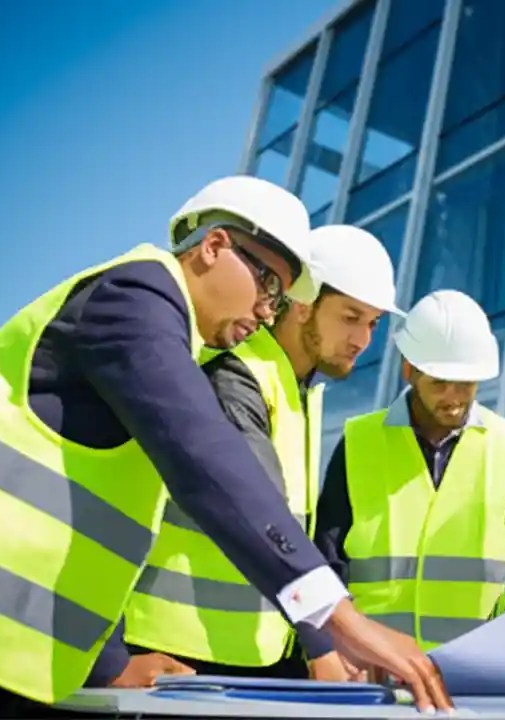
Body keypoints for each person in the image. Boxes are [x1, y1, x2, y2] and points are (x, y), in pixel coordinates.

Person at [0, 175, 450, 718]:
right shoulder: (134, 295)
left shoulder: (183, 352)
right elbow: (205, 459)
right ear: (213, 246)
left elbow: (77, 522)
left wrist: (110, 661)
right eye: (268, 284)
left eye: (277, 299)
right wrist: (336, 615)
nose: (266, 310)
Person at [118, 224, 403, 684]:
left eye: (372, 323)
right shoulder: (238, 376)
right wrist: (320, 642)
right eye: (351, 317)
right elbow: (262, 517)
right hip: (176, 650)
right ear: (304, 305)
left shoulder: (297, 389)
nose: (364, 340)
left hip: (243, 651)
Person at [315, 290, 505, 651]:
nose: (454, 397)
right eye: (440, 383)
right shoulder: (357, 442)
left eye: (465, 383)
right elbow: (326, 558)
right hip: (374, 671)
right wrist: (337, 646)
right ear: (410, 371)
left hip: (475, 676)